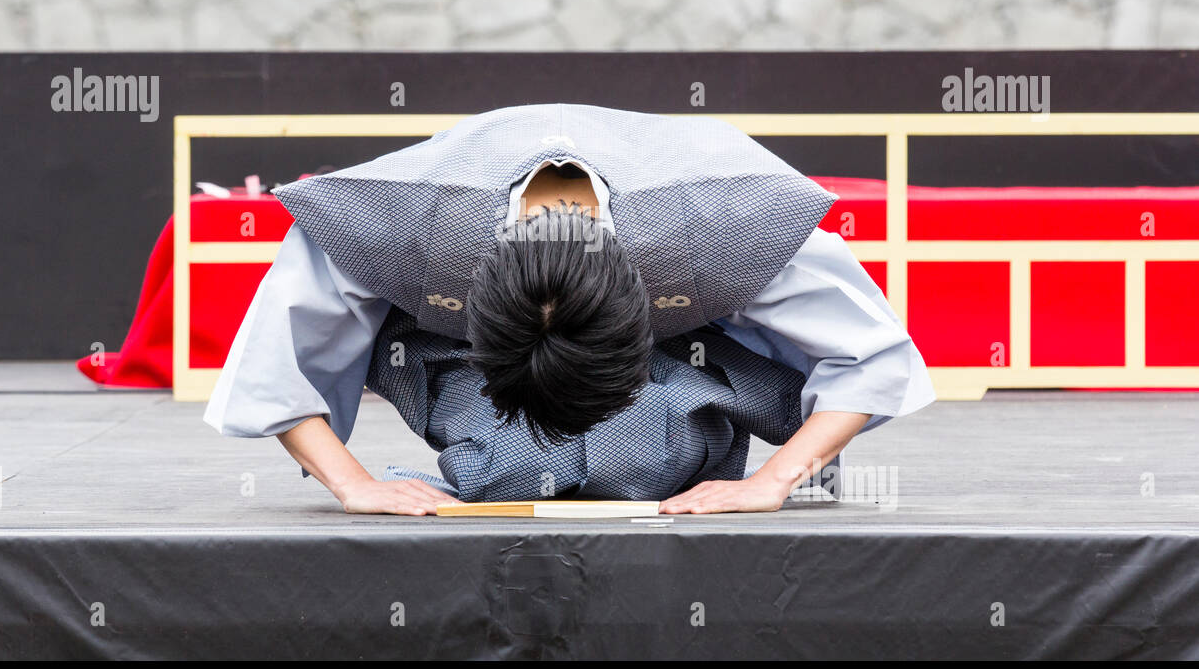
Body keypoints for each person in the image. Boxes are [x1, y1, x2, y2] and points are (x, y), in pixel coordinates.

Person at [204, 103, 934, 515]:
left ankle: (662, 417)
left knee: (645, 456)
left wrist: (778, 480)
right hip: (473, 363)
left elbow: (872, 353)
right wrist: (352, 485)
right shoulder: (401, 217)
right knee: (512, 469)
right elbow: (274, 362)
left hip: (686, 353)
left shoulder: (722, 213)